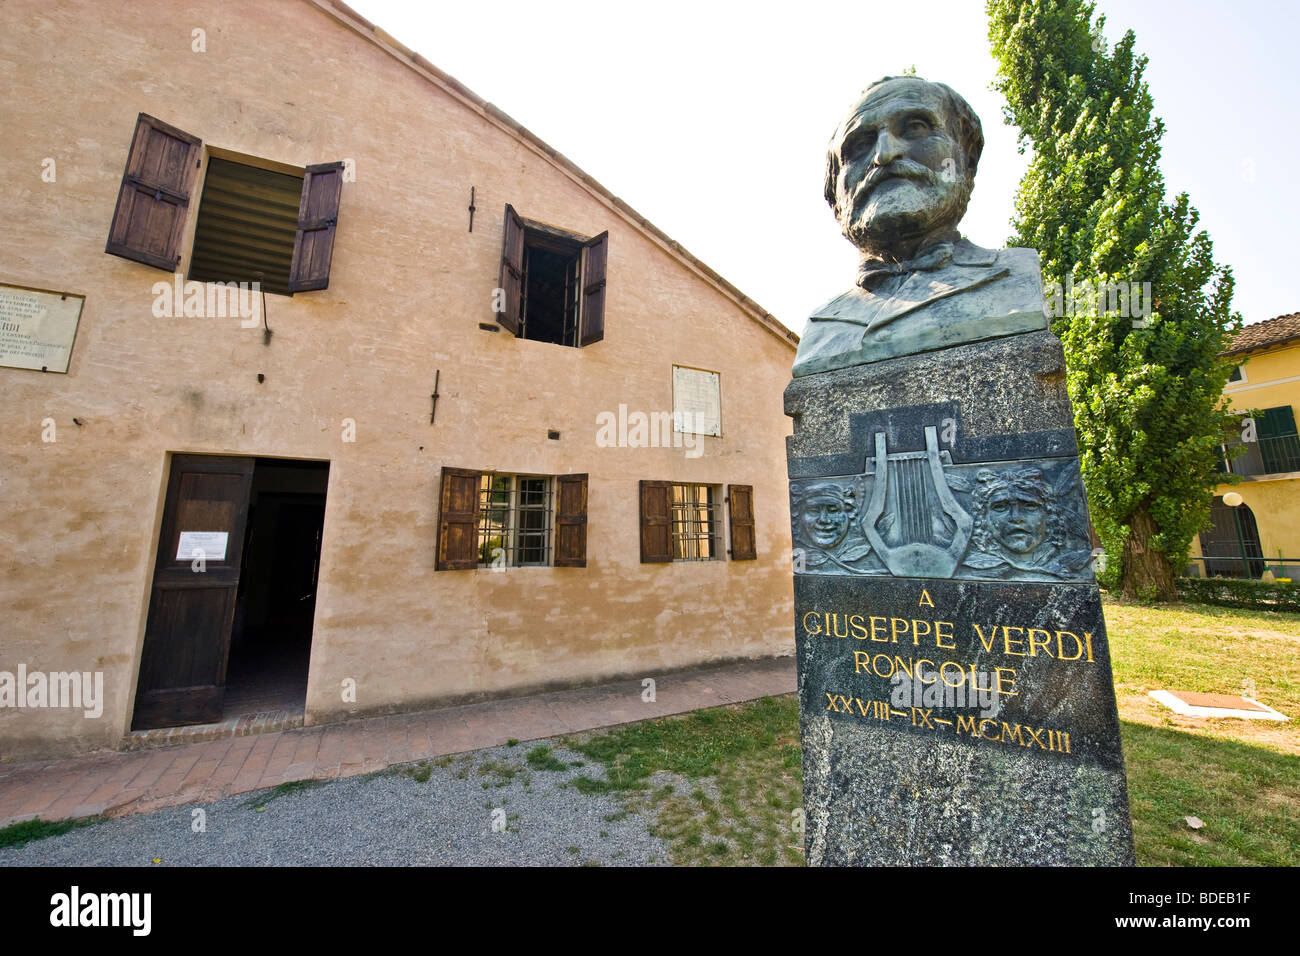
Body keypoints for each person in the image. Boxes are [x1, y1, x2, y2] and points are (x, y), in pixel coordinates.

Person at [792, 76, 1047, 377]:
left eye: (915, 128)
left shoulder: (1015, 279)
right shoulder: (822, 327)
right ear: (835, 197)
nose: (884, 154)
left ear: (967, 160)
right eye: (859, 145)